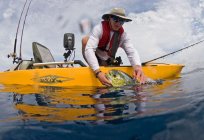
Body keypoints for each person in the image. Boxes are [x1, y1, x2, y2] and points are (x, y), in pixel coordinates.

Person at [82, 8, 146, 87]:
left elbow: (131, 51)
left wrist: (138, 67)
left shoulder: (123, 35)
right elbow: (89, 49)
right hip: (96, 56)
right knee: (85, 40)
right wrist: (97, 71)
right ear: (109, 18)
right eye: (116, 19)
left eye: (122, 21)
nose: (118, 23)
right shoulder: (99, 29)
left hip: (108, 60)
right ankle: (94, 69)